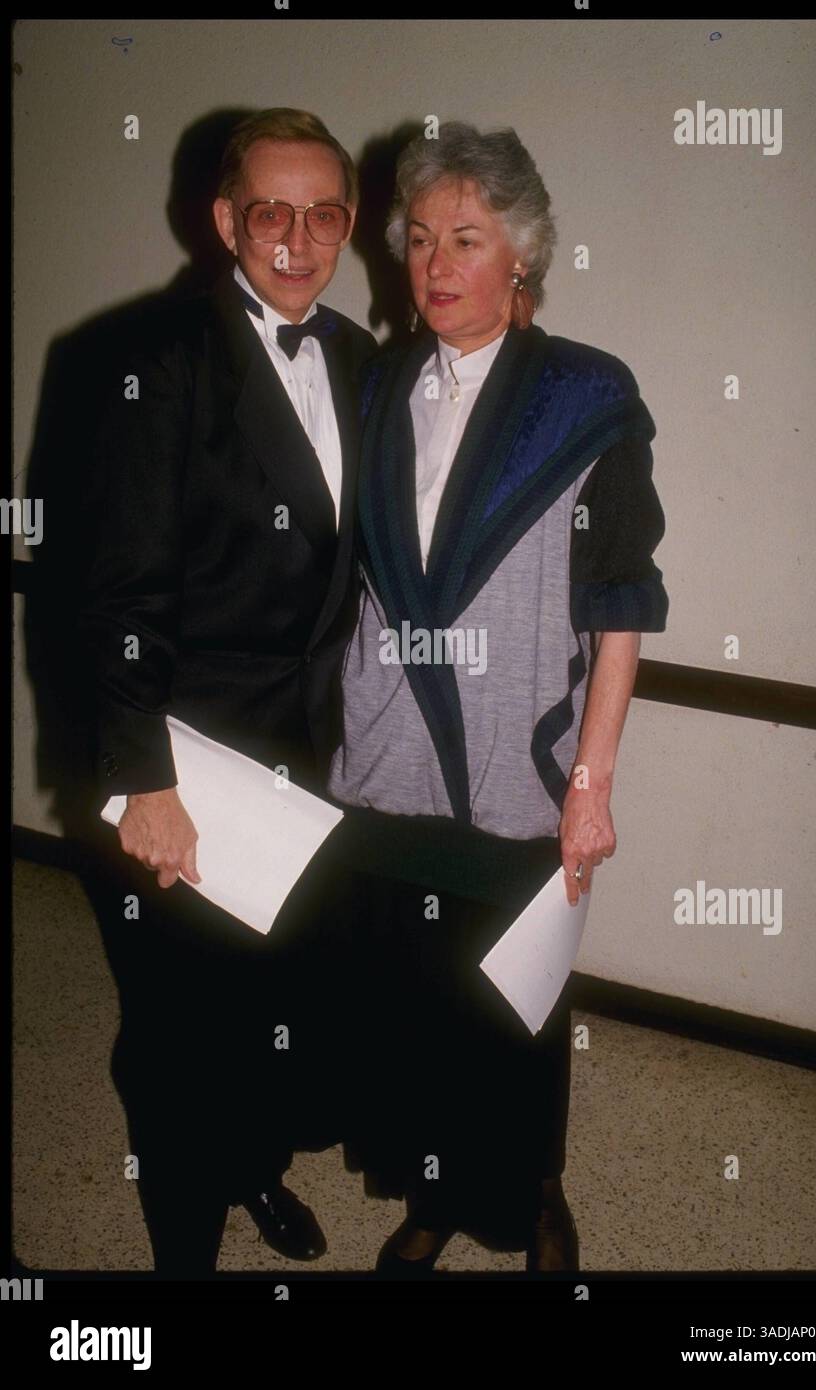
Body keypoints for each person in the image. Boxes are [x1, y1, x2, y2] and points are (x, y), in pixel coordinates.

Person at [318, 120, 670, 1273]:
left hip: (518, 764)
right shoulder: (375, 388)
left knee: (514, 1005)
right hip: (387, 753)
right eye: (417, 237)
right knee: (412, 1003)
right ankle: (433, 1194)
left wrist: (591, 783)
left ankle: (532, 1190)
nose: (432, 262)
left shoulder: (584, 397)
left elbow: (618, 602)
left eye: (463, 237)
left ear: (519, 256)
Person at [78, 107, 377, 1275]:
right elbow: (116, 594)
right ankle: (182, 1255)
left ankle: (253, 1162)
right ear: (223, 220)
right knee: (175, 1036)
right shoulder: (149, 358)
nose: (296, 239)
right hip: (187, 770)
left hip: (315, 768)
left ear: (348, 225)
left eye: (322, 215)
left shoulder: (358, 358)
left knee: (272, 1011)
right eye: (270, 212)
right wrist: (141, 782)